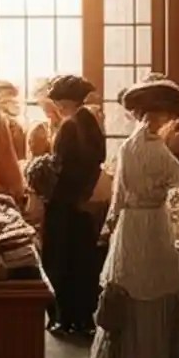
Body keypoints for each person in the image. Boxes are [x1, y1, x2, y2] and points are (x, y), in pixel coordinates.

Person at [91, 76, 179, 358]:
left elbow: (118, 195)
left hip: (129, 226)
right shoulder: (157, 150)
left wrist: (109, 226)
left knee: (131, 292)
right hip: (153, 226)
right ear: (159, 115)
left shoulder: (127, 146)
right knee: (154, 294)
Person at [42, 74, 107, 335]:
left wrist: (46, 180)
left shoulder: (70, 126)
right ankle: (82, 317)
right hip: (82, 201)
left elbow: (60, 166)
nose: (57, 107)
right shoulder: (90, 122)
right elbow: (97, 160)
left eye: (58, 102)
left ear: (67, 102)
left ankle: (63, 316)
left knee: (60, 260)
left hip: (64, 201)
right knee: (83, 260)